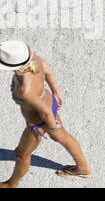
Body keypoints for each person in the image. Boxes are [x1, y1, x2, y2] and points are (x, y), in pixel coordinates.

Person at [1, 40, 92, 186]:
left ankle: (11, 184)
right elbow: (48, 70)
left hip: (39, 121)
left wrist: (51, 126)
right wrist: (56, 92)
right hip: (49, 102)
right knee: (63, 137)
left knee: (21, 154)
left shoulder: (26, 90)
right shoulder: (32, 59)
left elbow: (44, 113)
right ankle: (83, 168)